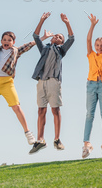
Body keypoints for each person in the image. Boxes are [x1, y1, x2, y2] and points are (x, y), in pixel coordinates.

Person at [29, 12, 75, 155]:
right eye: (56, 35)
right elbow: (35, 36)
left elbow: (72, 38)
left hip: (54, 82)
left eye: (60, 37)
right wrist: (42, 19)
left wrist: (67, 23)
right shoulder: (45, 48)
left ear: (61, 42)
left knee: (55, 110)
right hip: (41, 81)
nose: (57, 37)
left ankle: (57, 139)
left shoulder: (61, 50)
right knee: (41, 110)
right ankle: (40, 140)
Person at [83, 14, 102, 158]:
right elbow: (88, 39)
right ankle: (86, 144)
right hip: (91, 84)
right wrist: (92, 25)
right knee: (90, 114)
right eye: (98, 46)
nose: (100, 48)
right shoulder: (91, 54)